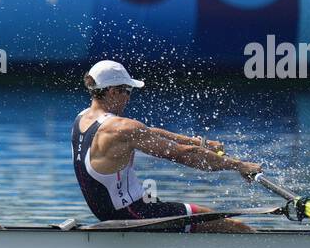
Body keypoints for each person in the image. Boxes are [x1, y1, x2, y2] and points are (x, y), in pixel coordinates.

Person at [72, 60, 260, 233]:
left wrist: (200, 142)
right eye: (127, 91)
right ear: (112, 92)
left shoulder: (83, 118)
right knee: (233, 226)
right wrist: (239, 166)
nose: (129, 98)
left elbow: (150, 132)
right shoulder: (122, 129)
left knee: (207, 219)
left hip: (111, 212)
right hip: (134, 213)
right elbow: (186, 155)